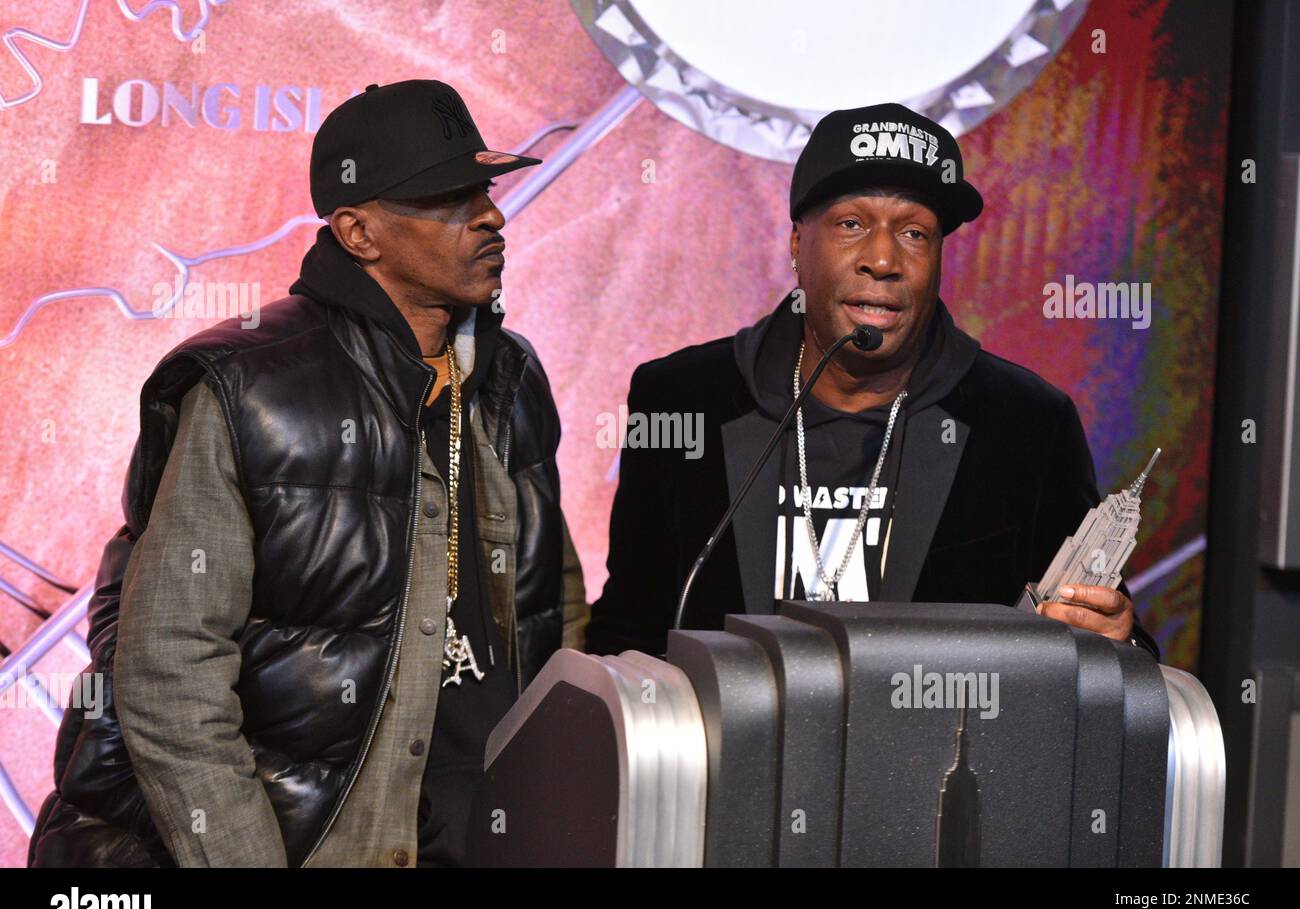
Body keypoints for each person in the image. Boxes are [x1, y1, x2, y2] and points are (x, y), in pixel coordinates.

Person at [29, 79, 585, 868]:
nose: (490, 215)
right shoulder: (251, 387)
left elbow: (550, 604)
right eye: (449, 198)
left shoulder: (512, 377)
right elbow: (169, 673)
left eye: (486, 190)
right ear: (359, 232)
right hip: (321, 842)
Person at [587, 102, 1158, 660]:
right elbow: (628, 630)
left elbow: (1105, 636)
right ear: (796, 245)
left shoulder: (1026, 423)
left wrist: (1118, 643)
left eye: (914, 233)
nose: (882, 259)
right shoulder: (683, 399)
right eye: (852, 224)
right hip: (725, 752)